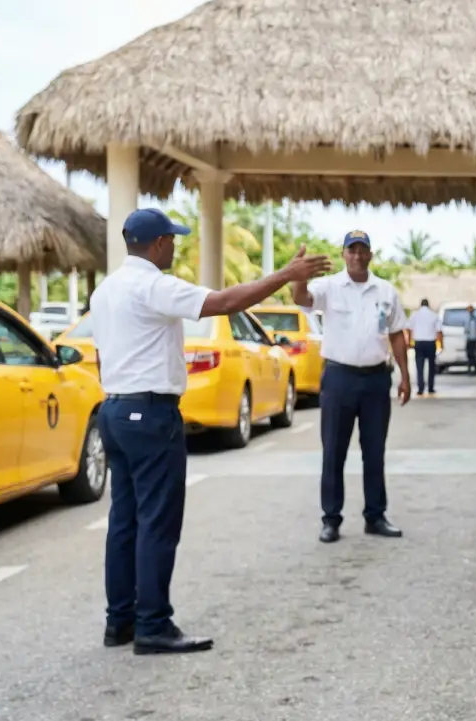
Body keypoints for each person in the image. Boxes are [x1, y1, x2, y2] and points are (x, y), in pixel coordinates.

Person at [93, 208, 332, 654]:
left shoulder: (106, 290)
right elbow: (225, 302)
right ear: (159, 243)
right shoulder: (154, 285)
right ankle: (153, 625)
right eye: (173, 240)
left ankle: (119, 622)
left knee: (123, 522)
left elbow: (105, 357)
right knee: (157, 524)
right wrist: (286, 274)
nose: (176, 247)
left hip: (114, 409)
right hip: (151, 412)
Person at [292, 230, 411, 544]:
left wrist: (405, 375)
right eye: (351, 250)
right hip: (339, 378)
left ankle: (375, 516)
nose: (357, 255)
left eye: (363, 250)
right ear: (344, 254)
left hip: (376, 379)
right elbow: (301, 299)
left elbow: (397, 333)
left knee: (374, 452)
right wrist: (299, 276)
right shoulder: (329, 287)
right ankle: (331, 519)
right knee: (334, 452)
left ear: (370, 254)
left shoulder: (386, 291)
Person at [409, 298, 440, 395]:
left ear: (420, 305)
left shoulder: (414, 315)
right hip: (431, 343)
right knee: (431, 366)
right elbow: (439, 331)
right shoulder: (434, 315)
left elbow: (409, 329)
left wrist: (410, 341)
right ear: (428, 305)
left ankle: (420, 388)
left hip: (419, 342)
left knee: (419, 366)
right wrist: (441, 344)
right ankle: (431, 387)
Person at [463, 303, 476, 375]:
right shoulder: (467, 319)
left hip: (473, 339)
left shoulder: (475, 319)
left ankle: (474, 369)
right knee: (469, 354)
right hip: (469, 339)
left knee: (473, 354)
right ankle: (470, 369)